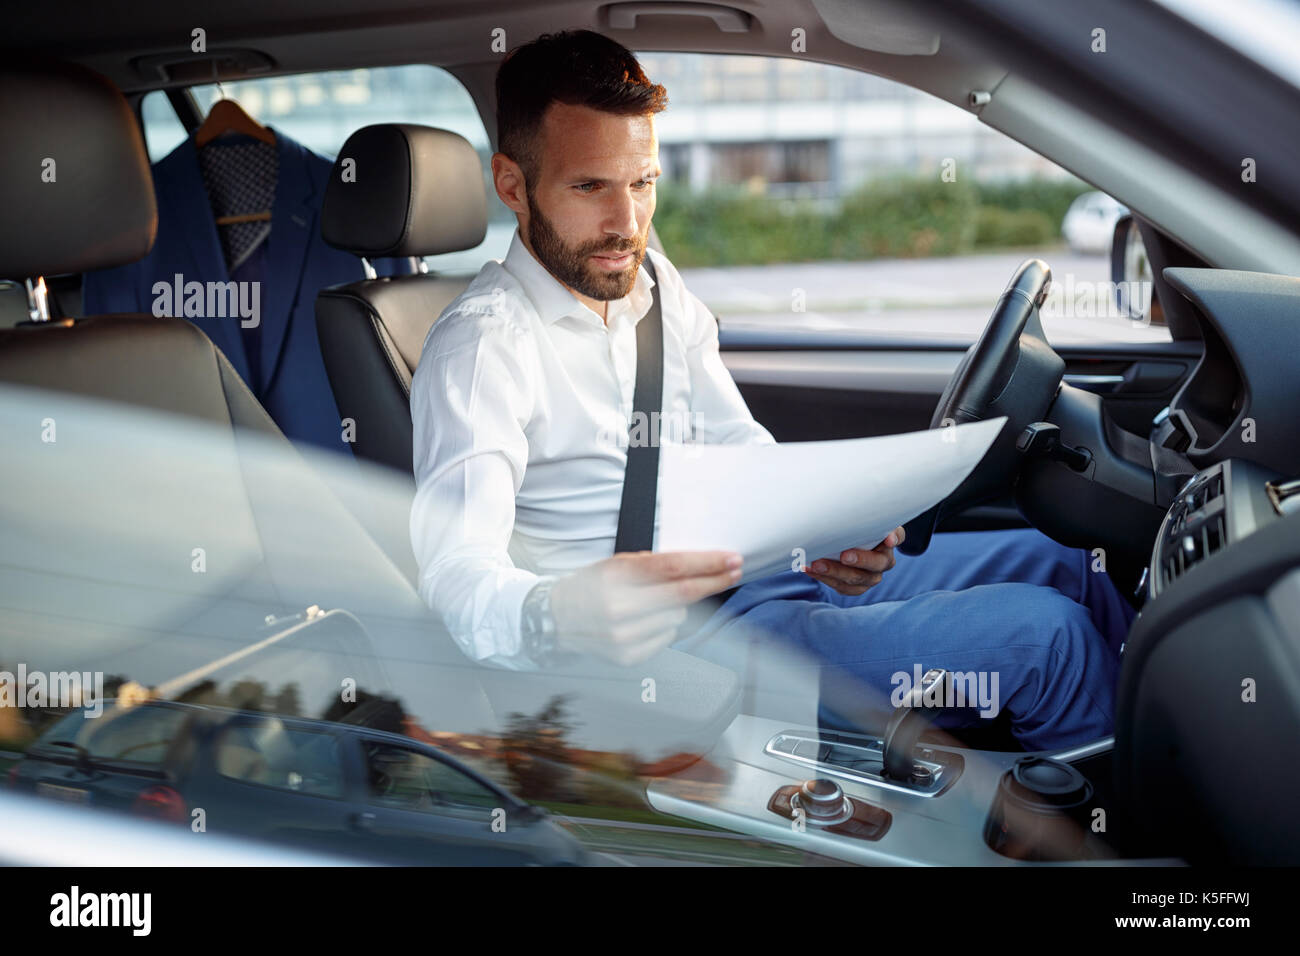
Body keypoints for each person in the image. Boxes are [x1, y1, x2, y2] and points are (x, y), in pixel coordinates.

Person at [409, 30, 1135, 751]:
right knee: (1048, 641)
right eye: (590, 186)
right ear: (512, 184)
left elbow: (738, 447)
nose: (627, 223)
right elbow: (457, 576)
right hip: (681, 655)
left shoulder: (655, 288)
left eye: (643, 182)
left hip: (765, 579)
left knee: (1071, 564)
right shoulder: (481, 348)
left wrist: (825, 537)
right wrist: (556, 613)